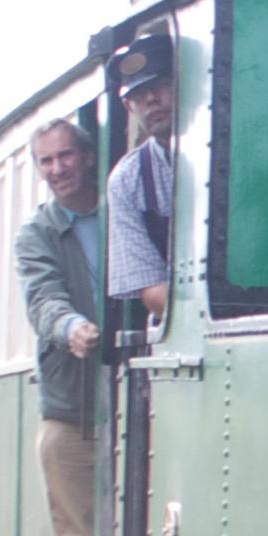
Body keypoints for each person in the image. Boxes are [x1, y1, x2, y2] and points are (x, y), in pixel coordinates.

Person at [11, 114, 114, 536]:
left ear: (88, 156)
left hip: (136, 400)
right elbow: (42, 296)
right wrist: (70, 327)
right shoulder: (36, 234)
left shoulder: (126, 212)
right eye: (46, 162)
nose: (57, 170)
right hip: (71, 409)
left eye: (65, 157)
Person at [103, 33, 180, 331]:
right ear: (128, 106)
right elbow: (151, 288)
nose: (151, 99)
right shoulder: (126, 181)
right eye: (139, 93)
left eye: (161, 84)